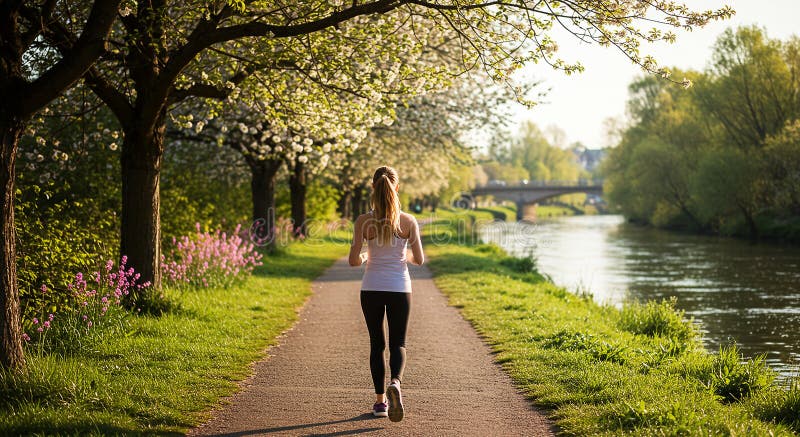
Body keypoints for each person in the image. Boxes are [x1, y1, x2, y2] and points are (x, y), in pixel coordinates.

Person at [349, 166, 425, 422]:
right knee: (398, 343)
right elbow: (419, 260)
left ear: (373, 187)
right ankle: (396, 383)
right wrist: (403, 255)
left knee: (376, 345)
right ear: (397, 187)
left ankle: (381, 403)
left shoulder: (363, 221)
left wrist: (364, 256)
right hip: (399, 287)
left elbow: (352, 261)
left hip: (371, 287)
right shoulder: (408, 221)